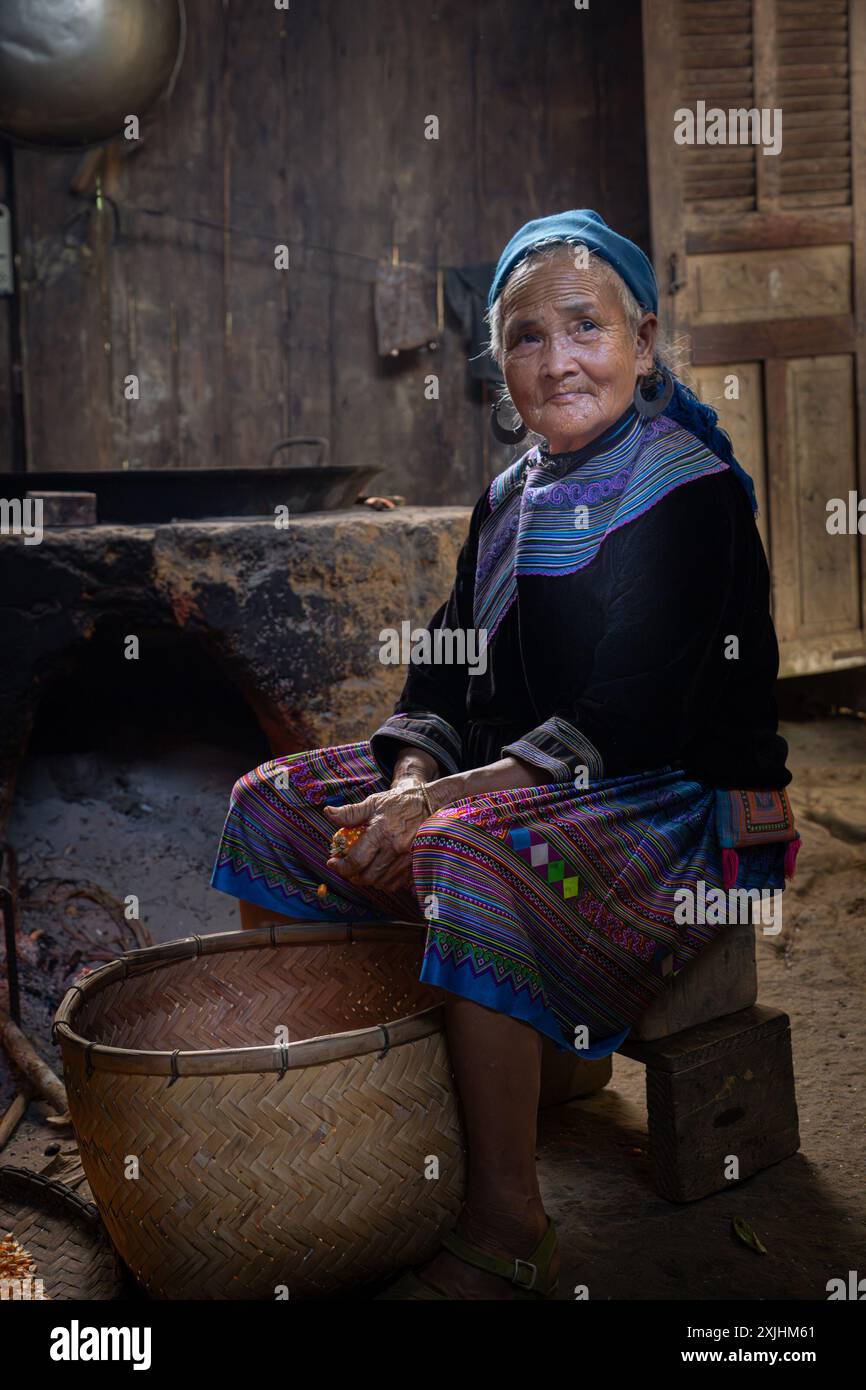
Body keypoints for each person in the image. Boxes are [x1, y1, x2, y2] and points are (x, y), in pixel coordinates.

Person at [210, 209, 799, 1300]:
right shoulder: (508, 497)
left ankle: (507, 1225)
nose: (557, 359)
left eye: (586, 326)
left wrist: (437, 809)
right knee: (272, 803)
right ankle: (334, 1125)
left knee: (468, 854)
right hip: (524, 788)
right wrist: (409, 781)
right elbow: (443, 673)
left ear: (644, 342)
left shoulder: (689, 492)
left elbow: (632, 708)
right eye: (527, 336)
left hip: (671, 800)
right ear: (501, 365)